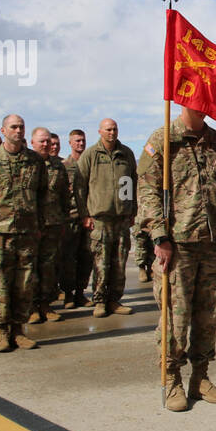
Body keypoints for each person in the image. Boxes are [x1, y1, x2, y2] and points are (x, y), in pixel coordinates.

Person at [137, 106, 216, 411]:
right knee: (175, 318)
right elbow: (147, 192)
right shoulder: (163, 139)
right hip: (178, 244)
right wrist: (160, 237)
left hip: (215, 242)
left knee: (209, 316)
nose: (202, 103)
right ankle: (171, 379)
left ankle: (201, 378)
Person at [0, 114, 47, 352]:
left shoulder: (34, 161)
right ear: (3, 130)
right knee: (0, 282)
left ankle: (19, 329)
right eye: (14, 127)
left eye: (22, 127)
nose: (18, 131)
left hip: (26, 232)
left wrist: (39, 224)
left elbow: (42, 194)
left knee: (24, 283)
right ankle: (2, 331)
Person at [77, 118, 138, 317]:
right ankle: (100, 301)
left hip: (121, 218)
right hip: (100, 219)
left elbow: (131, 183)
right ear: (100, 131)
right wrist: (85, 215)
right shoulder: (90, 155)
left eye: (115, 129)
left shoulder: (126, 154)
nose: (112, 133)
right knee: (101, 263)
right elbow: (80, 187)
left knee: (120, 263)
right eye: (108, 129)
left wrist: (132, 209)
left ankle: (114, 300)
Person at [30, 127, 81, 323]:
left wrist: (63, 219)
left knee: (49, 268)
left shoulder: (58, 166)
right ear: (32, 142)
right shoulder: (27, 163)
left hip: (53, 223)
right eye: (41, 142)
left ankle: (45, 304)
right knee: (30, 269)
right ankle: (31, 307)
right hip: (31, 226)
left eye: (48, 142)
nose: (46, 145)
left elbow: (64, 196)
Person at [61, 129, 90, 308]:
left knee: (86, 258)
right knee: (68, 259)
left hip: (87, 219)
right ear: (70, 143)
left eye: (82, 141)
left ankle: (81, 293)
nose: (80, 144)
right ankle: (68, 294)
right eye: (77, 141)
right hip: (70, 218)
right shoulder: (64, 166)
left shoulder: (89, 164)